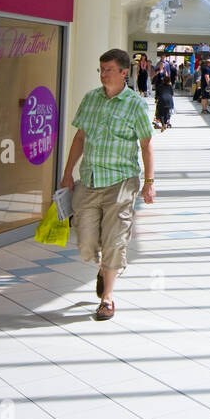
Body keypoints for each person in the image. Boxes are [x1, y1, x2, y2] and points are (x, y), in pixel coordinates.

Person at [60, 48, 154, 321]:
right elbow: (80, 138)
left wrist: (149, 182)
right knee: (86, 242)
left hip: (121, 182)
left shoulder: (135, 104)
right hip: (89, 181)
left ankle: (107, 298)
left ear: (124, 72)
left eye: (109, 70)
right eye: (101, 70)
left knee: (115, 239)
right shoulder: (91, 99)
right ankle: (103, 268)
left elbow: (146, 145)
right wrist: (68, 174)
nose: (103, 75)